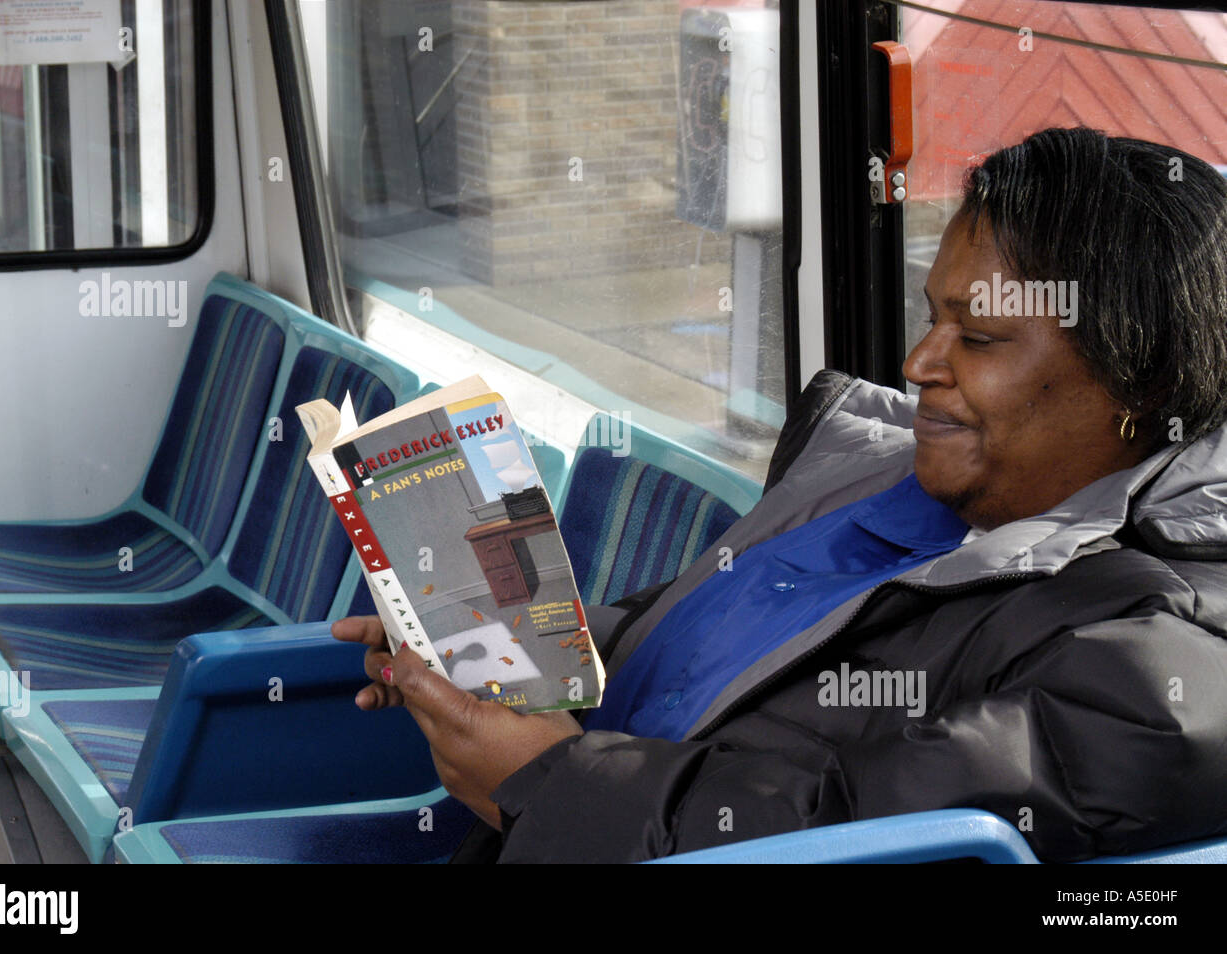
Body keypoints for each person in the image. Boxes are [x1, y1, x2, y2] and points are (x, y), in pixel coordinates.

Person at [333, 127, 1227, 863]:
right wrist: (504, 649)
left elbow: (844, 829)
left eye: (981, 337)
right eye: (931, 317)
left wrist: (545, 782)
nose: (920, 365)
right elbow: (721, 658)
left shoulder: (1159, 664)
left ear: (1138, 383)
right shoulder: (894, 482)